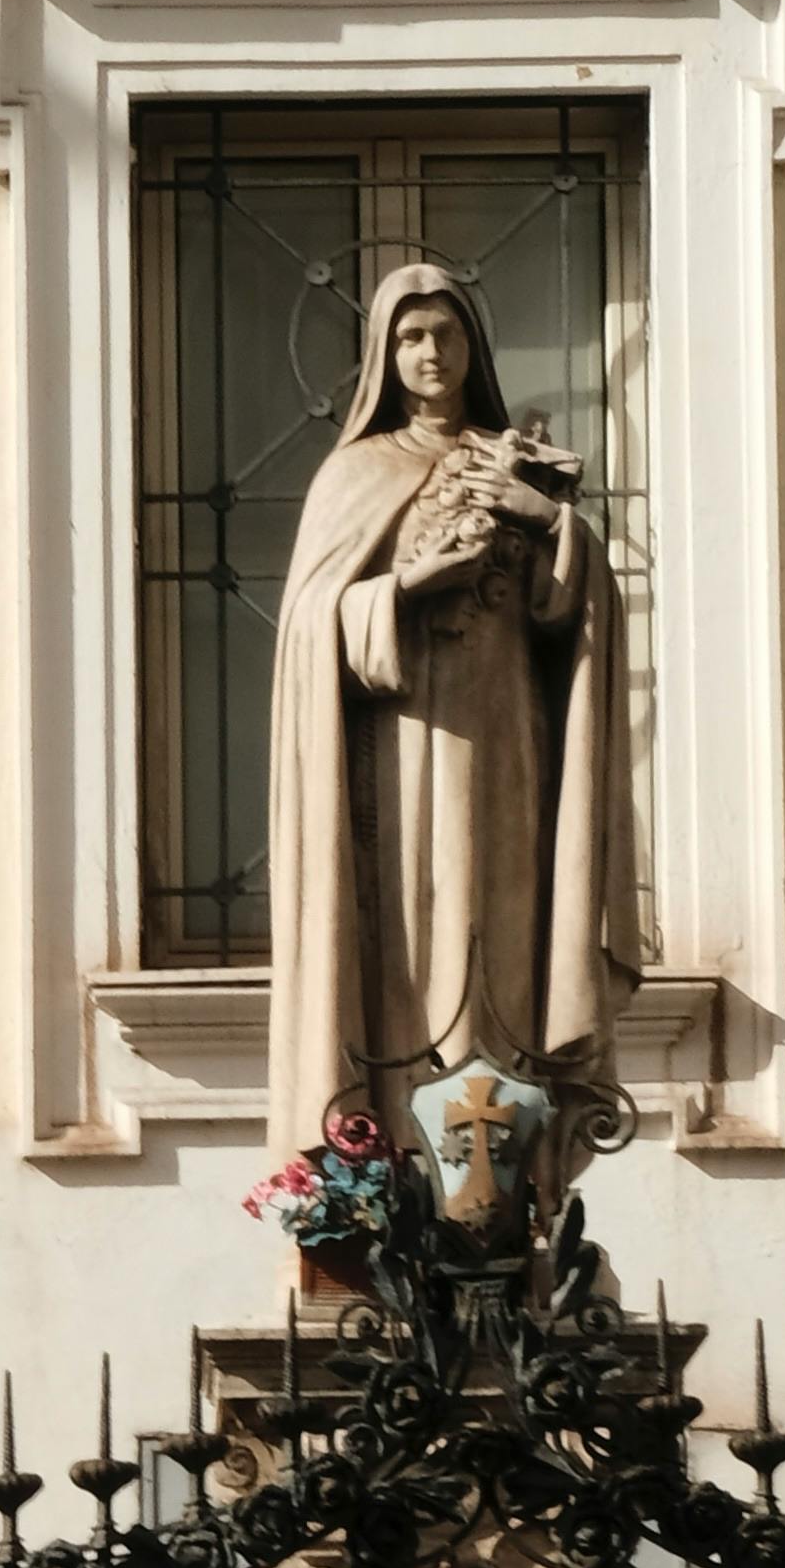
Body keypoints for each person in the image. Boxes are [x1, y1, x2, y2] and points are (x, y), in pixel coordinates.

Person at [264, 257, 639, 1167]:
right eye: (410, 337)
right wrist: (410, 586)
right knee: (413, 946)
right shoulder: (355, 473)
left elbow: (570, 620)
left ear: (474, 345)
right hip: (401, 758)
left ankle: (507, 1174)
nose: (430, 353)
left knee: (504, 936)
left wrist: (549, 525)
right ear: (385, 357)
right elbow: (313, 630)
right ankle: (403, 1158)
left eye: (447, 333)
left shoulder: (516, 461)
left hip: (511, 742)